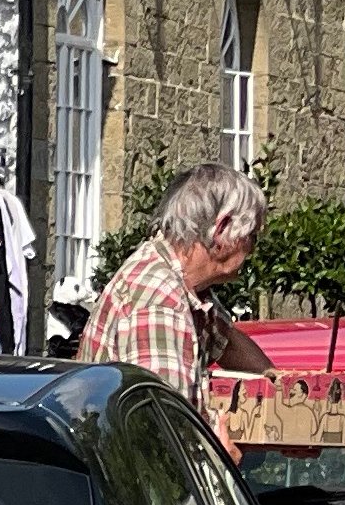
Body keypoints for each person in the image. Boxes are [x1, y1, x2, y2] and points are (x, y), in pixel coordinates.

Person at [80, 163, 266, 428]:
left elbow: (228, 343)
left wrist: (285, 394)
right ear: (222, 228)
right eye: (251, 237)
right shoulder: (160, 301)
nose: (252, 250)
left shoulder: (186, 283)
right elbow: (166, 428)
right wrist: (224, 453)